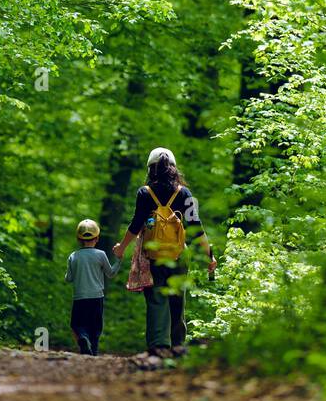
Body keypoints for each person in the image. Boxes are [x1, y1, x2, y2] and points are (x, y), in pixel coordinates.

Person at [114, 147, 216, 356]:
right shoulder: (184, 193)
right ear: (173, 168)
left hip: (153, 256)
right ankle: (178, 346)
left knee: (155, 300)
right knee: (177, 300)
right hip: (179, 255)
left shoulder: (145, 192)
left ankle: (157, 346)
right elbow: (196, 227)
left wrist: (122, 247)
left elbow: (136, 225)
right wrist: (209, 256)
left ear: (150, 168)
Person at [65, 219, 119, 356]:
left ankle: (83, 338)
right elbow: (111, 273)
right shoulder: (101, 254)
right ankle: (93, 352)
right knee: (95, 327)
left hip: (79, 297)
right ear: (97, 238)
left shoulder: (73, 256)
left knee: (77, 324)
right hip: (97, 297)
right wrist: (119, 259)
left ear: (78, 238)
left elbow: (68, 278)